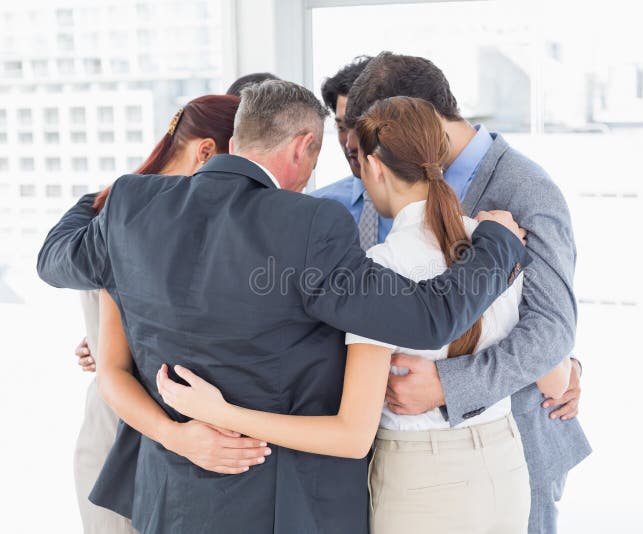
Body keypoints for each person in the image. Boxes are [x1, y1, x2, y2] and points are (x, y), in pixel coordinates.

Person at [37, 80, 530, 534]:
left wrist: (102, 197)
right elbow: (429, 317)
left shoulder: (130, 207)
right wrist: (498, 245)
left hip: (170, 498)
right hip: (286, 505)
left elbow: (53, 261)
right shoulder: (311, 224)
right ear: (302, 148)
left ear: (235, 141)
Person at [154, 95, 573, 534]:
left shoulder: (380, 266)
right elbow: (555, 377)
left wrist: (222, 413)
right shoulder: (500, 239)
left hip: (420, 481)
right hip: (505, 467)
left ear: (373, 166)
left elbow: (352, 437)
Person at [343, 52, 592, 534]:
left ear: (419, 117)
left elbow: (551, 329)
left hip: (513, 446)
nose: (361, 168)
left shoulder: (525, 189)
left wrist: (446, 384)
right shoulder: (387, 192)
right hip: (406, 458)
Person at [70, 94, 272, 534]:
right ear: (205, 152)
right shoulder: (118, 214)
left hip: (178, 437)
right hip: (120, 430)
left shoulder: (182, 222)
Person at [313, 56, 394, 248]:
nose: (350, 143)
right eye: (342, 128)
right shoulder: (318, 209)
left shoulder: (427, 212)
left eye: (360, 127)